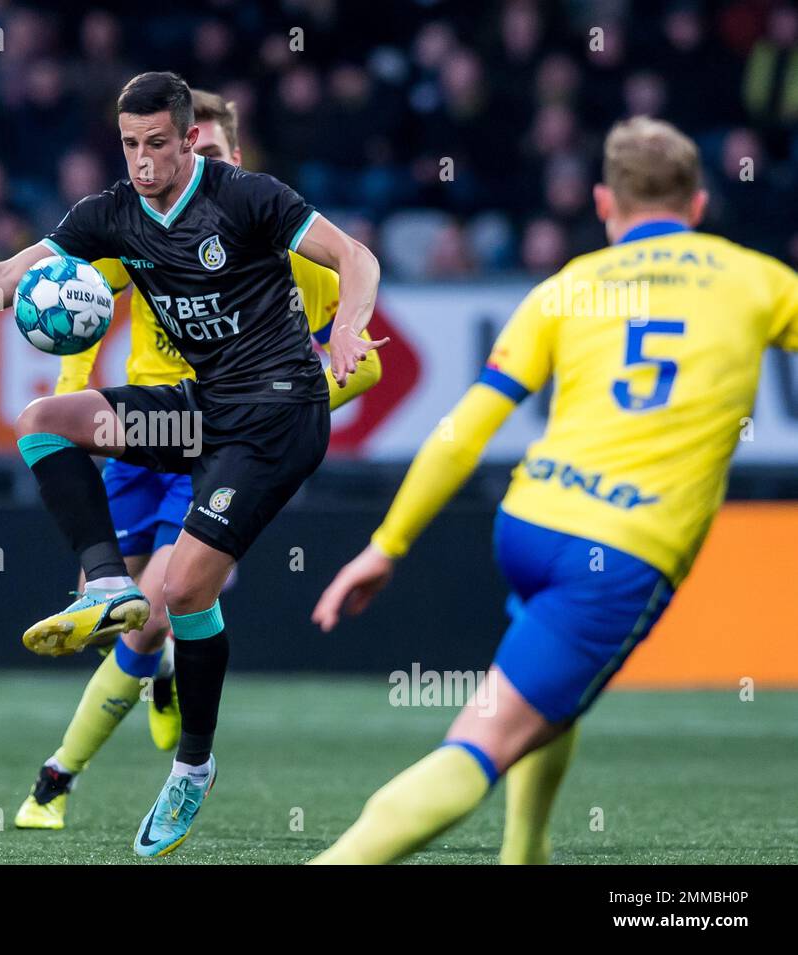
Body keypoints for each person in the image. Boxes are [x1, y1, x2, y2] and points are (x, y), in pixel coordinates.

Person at [0, 72, 383, 857]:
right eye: (130, 145)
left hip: (279, 410)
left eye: (157, 145)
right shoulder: (111, 215)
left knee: (183, 587)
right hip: (202, 406)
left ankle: (192, 766)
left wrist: (349, 327)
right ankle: (104, 584)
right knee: (44, 423)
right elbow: (7, 278)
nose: (142, 161)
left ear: (189, 139)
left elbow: (356, 255)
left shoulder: (247, 199)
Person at [308, 116, 798, 864]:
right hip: (622, 545)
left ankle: (525, 853)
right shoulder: (755, 278)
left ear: (604, 203)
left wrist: (387, 543)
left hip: (529, 524)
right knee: (480, 744)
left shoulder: (568, 287)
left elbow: (463, 429)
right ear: (699, 206)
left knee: (547, 690)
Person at [14, 89, 384, 831]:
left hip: (239, 433)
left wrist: (283, 416)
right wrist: (71, 393)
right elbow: (72, 300)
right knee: (131, 608)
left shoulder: (267, 231)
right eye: (137, 149)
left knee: (160, 608)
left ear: (219, 157)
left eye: (194, 154)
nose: (160, 168)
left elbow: (363, 357)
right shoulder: (133, 229)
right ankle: (153, 675)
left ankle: (60, 777)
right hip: (154, 428)